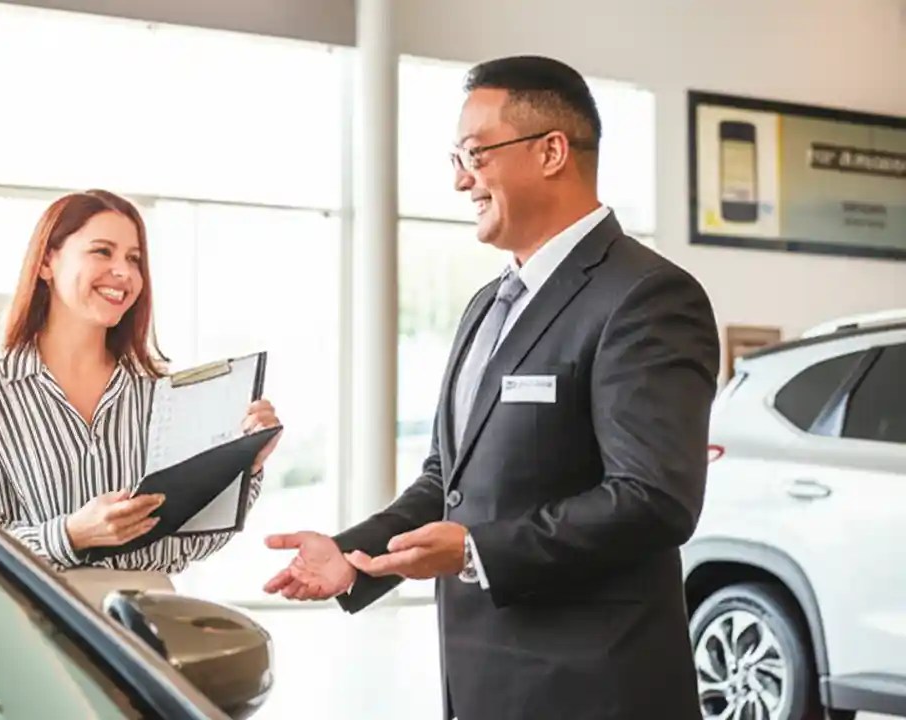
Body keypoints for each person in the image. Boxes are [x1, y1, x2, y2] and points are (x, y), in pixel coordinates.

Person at [263, 56, 719, 719]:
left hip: (594, 691)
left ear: (551, 151)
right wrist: (353, 557)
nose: (458, 180)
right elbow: (448, 477)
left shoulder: (647, 296)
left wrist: (478, 549)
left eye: (473, 155)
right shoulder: (487, 303)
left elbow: (653, 500)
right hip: (483, 685)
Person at [0, 189, 281, 606]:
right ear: (47, 262)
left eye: (134, 259)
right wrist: (72, 534)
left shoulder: (159, 395)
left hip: (146, 628)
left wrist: (244, 465)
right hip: (33, 630)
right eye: (102, 252)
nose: (122, 272)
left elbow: (186, 545)